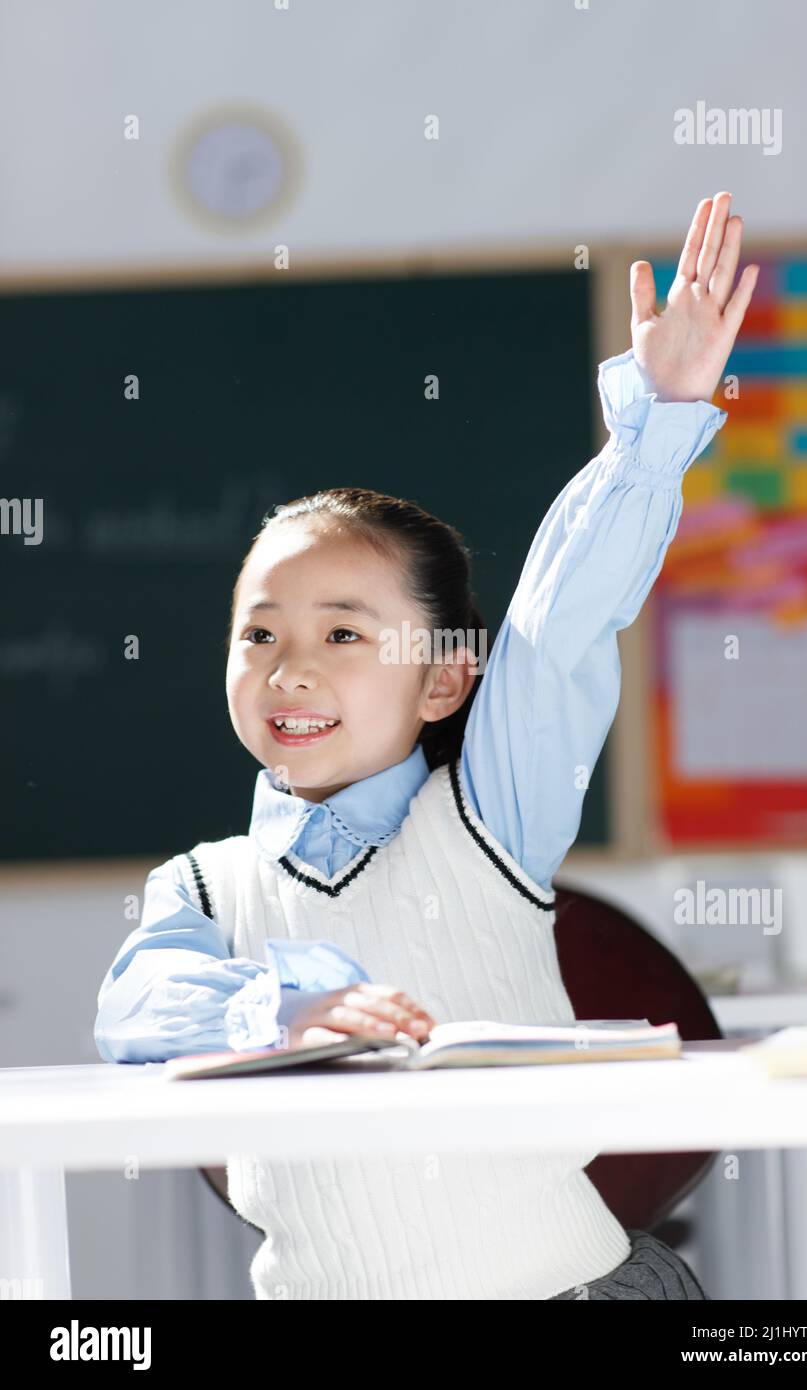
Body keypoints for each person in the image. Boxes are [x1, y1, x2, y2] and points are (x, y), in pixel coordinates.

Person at [95, 192, 757, 1300]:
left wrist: (654, 425)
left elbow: (558, 625)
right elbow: (135, 1006)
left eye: (343, 634)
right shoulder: (207, 886)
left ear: (444, 675)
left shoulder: (490, 814)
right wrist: (278, 1009)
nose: (288, 668)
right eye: (256, 633)